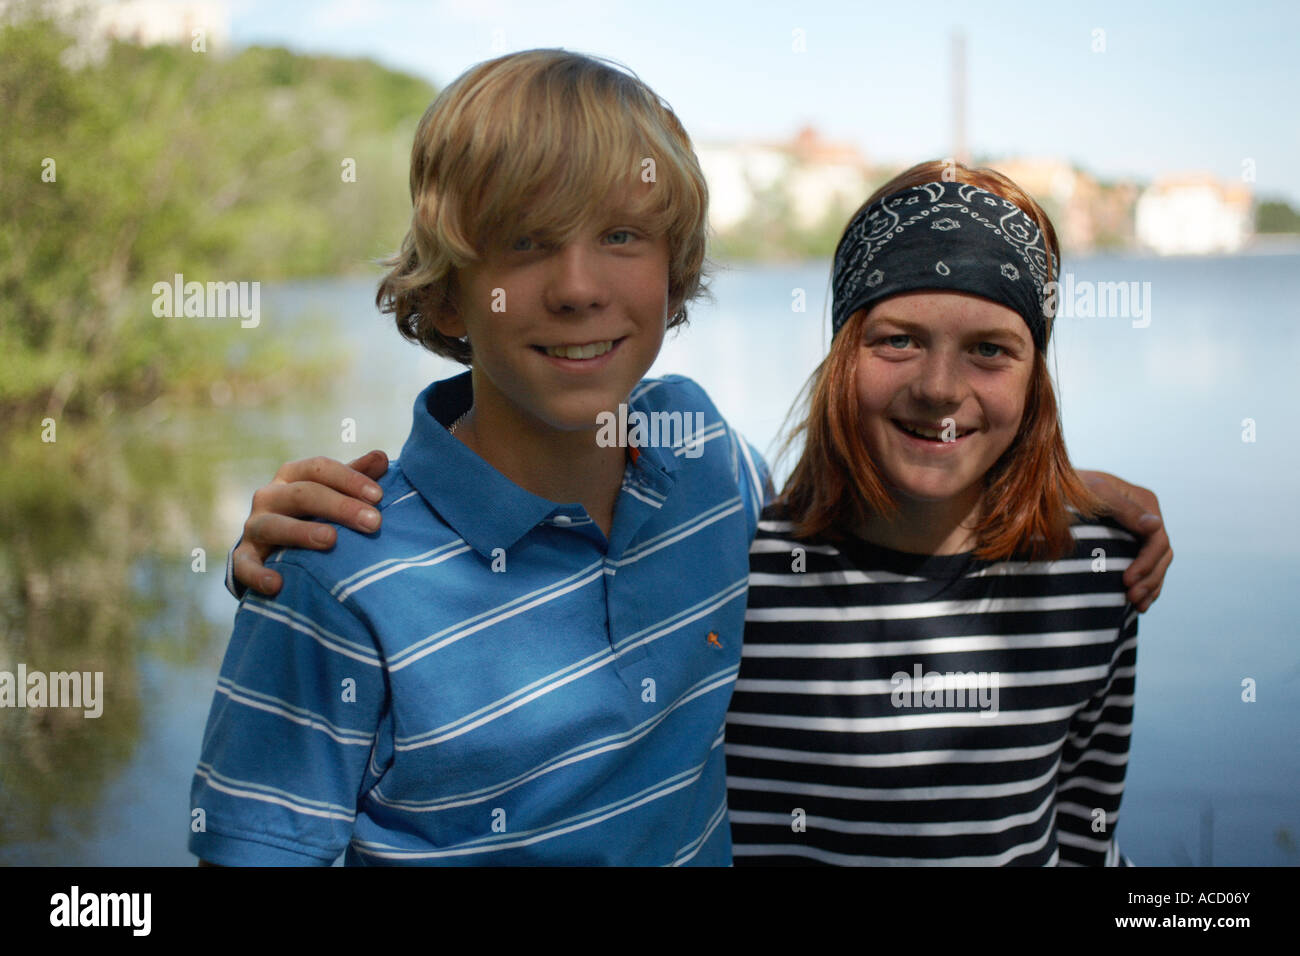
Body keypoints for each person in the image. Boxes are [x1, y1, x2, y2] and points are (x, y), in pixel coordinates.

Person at [189, 48, 769, 866]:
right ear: (448, 295)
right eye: (525, 242)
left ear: (674, 275)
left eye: (621, 235)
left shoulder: (710, 459)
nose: (577, 287)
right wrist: (282, 588)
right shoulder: (334, 569)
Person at [727, 162, 1146, 865]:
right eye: (899, 340)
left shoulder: (1098, 573)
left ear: (1035, 377)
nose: (940, 388)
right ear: (841, 357)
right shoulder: (731, 579)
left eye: (989, 349)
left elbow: (1086, 831)